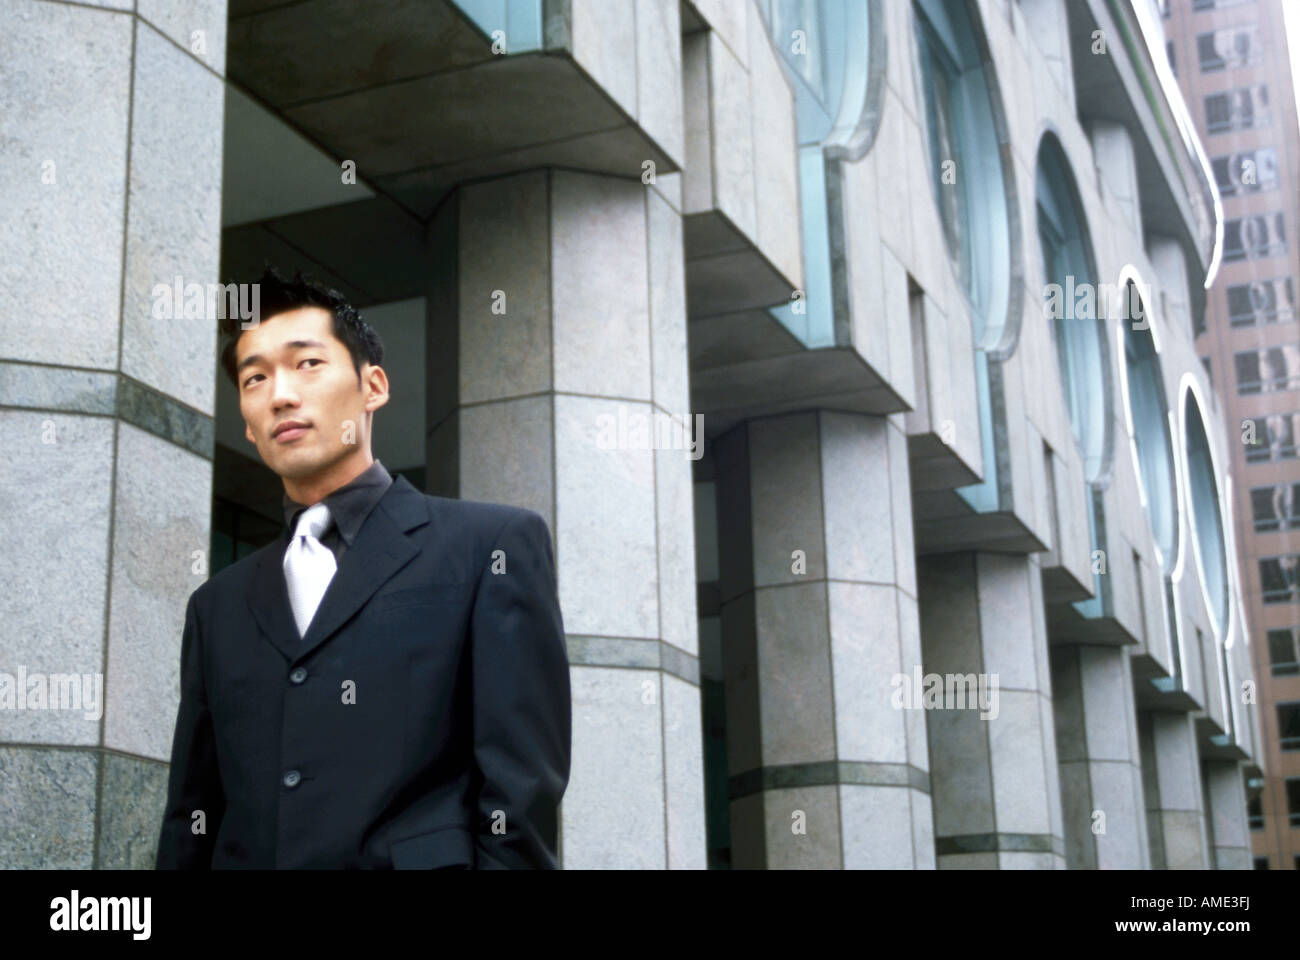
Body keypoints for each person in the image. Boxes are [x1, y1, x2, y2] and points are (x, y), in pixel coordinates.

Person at [155, 267, 571, 869]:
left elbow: (521, 797)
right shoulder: (217, 604)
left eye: (307, 364)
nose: (281, 394)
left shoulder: (490, 548)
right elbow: (192, 813)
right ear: (247, 424)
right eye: (255, 378)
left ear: (372, 386)